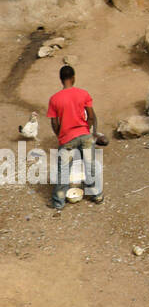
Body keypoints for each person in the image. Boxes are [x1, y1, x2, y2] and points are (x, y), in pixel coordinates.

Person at [47, 65, 103, 210]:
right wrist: (88, 130)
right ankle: (96, 195)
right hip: (84, 135)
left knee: (63, 171)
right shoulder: (83, 94)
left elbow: (54, 122)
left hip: (67, 139)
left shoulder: (54, 99)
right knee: (90, 166)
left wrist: (61, 135)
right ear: (73, 77)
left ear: (61, 79)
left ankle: (58, 203)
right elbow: (91, 116)